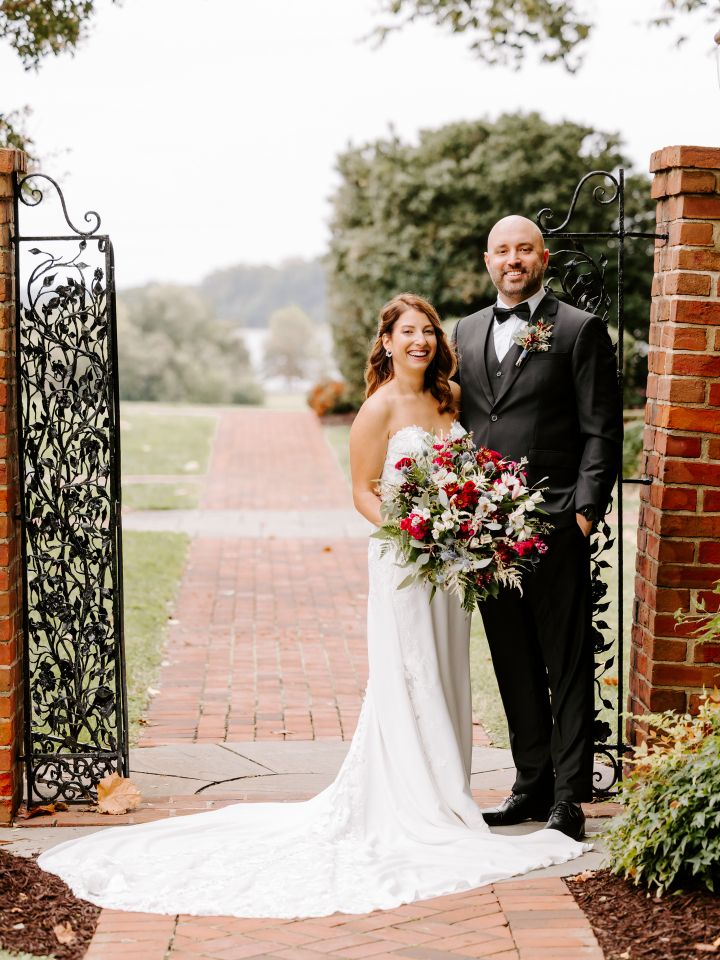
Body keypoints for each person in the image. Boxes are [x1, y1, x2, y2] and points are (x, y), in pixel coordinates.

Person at [37, 292, 587, 919]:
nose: (420, 342)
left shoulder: (450, 400)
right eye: (407, 332)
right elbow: (360, 492)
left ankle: (443, 789)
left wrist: (461, 530)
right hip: (407, 561)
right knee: (410, 673)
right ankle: (413, 799)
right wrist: (415, 532)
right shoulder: (377, 409)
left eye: (428, 332)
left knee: (446, 672)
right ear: (385, 342)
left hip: (450, 567)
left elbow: (473, 468)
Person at [452, 217, 623, 842]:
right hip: (485, 527)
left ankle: (570, 796)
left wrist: (583, 510)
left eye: (524, 249)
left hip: (555, 520)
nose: (513, 260)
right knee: (512, 658)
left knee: (567, 659)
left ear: (543, 257)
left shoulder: (578, 330)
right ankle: (530, 785)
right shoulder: (466, 332)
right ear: (488, 260)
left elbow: (601, 429)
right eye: (502, 251)